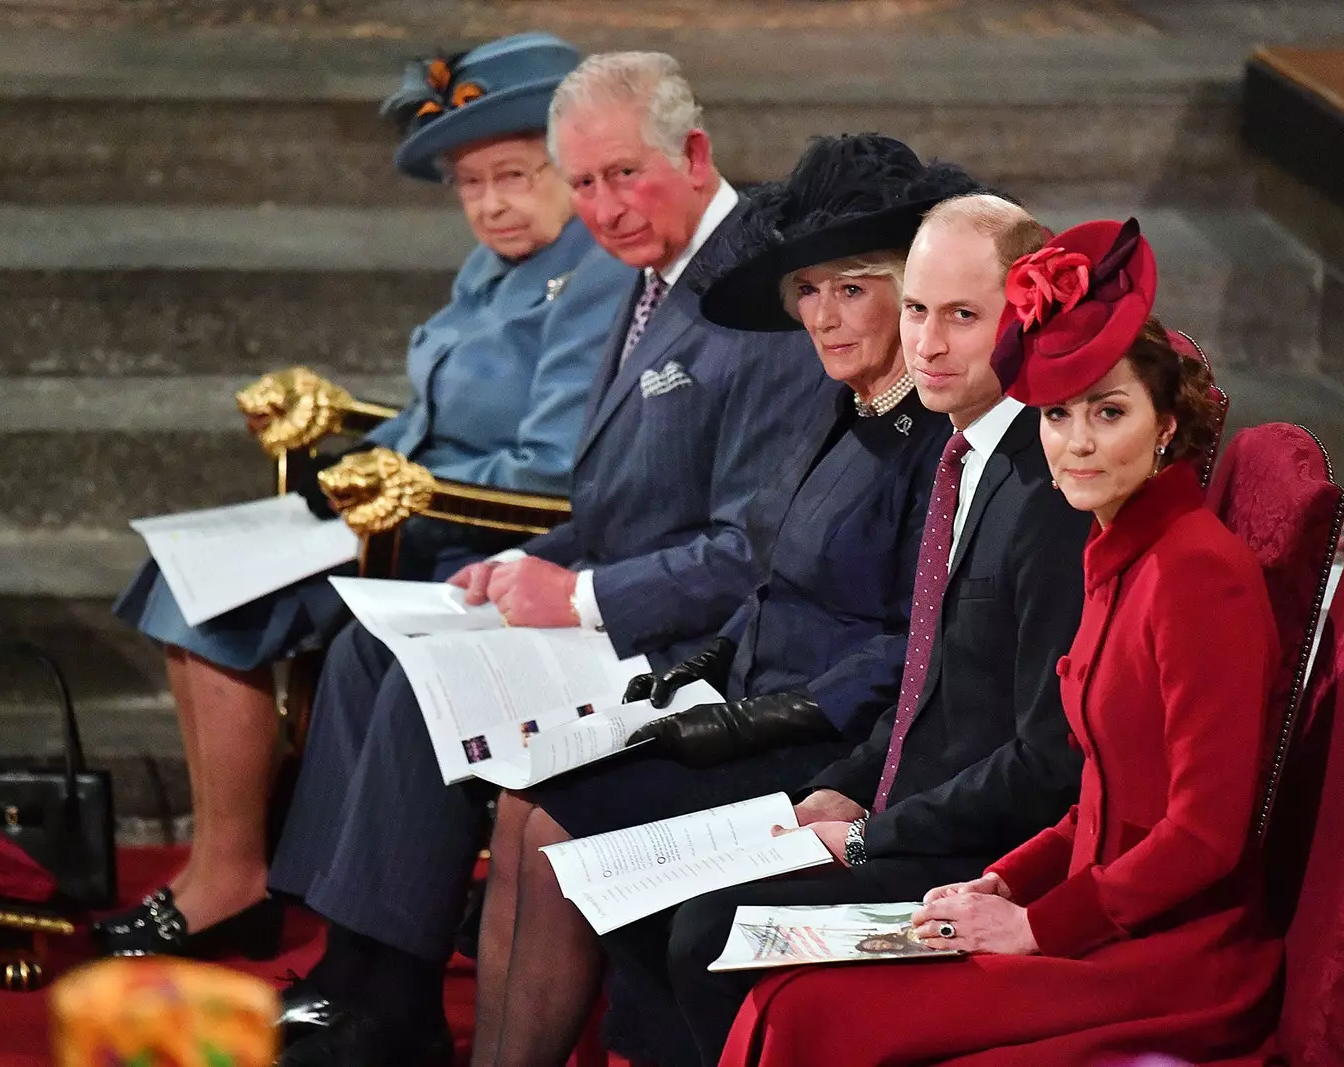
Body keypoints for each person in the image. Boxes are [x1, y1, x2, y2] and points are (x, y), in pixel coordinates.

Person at [264, 51, 835, 1067]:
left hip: (704, 644)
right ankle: (350, 964)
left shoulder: (758, 293)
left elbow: (754, 545)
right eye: (582, 183)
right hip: (624, 598)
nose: (604, 207)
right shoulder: (648, 268)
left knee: (422, 679)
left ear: (693, 154)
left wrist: (577, 592)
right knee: (373, 642)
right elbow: (619, 497)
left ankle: (389, 997)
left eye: (625, 174)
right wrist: (523, 561)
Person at [97, 32, 631, 959]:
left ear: (570, 165)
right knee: (182, 576)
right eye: (472, 184)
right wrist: (349, 444)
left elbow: (552, 468)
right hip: (414, 507)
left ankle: (232, 877)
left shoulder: (596, 271)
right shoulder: (493, 266)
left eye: (515, 173)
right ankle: (223, 862)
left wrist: (395, 486)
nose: (493, 203)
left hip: (480, 533)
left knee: (212, 600)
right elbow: (431, 419)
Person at [714, 219, 1282, 1067]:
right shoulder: (1115, 550)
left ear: (1168, 425)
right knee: (788, 991)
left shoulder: (1198, 571)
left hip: (1166, 949)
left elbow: (1203, 837)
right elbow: (1098, 797)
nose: (1078, 442)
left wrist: (1035, 920)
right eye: (1057, 415)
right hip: (1083, 905)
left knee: (812, 1012)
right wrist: (1005, 878)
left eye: (1110, 412)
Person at [468, 133, 974, 1067]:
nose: (823, 315)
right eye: (809, 291)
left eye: (851, 289)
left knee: (549, 829)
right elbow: (772, 575)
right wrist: (702, 671)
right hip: (751, 709)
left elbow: (914, 645)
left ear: (909, 296)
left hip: (829, 743)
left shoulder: (932, 440)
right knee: (518, 798)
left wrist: (751, 720)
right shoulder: (839, 405)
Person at [589, 192, 1090, 1067]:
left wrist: (867, 833)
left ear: (1025, 319)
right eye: (919, 311)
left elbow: (1046, 758)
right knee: (634, 896)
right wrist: (844, 785)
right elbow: (929, 683)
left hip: (979, 856)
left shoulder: (1047, 491)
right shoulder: (960, 452)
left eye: (963, 316)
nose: (928, 344)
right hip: (898, 806)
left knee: (705, 930)